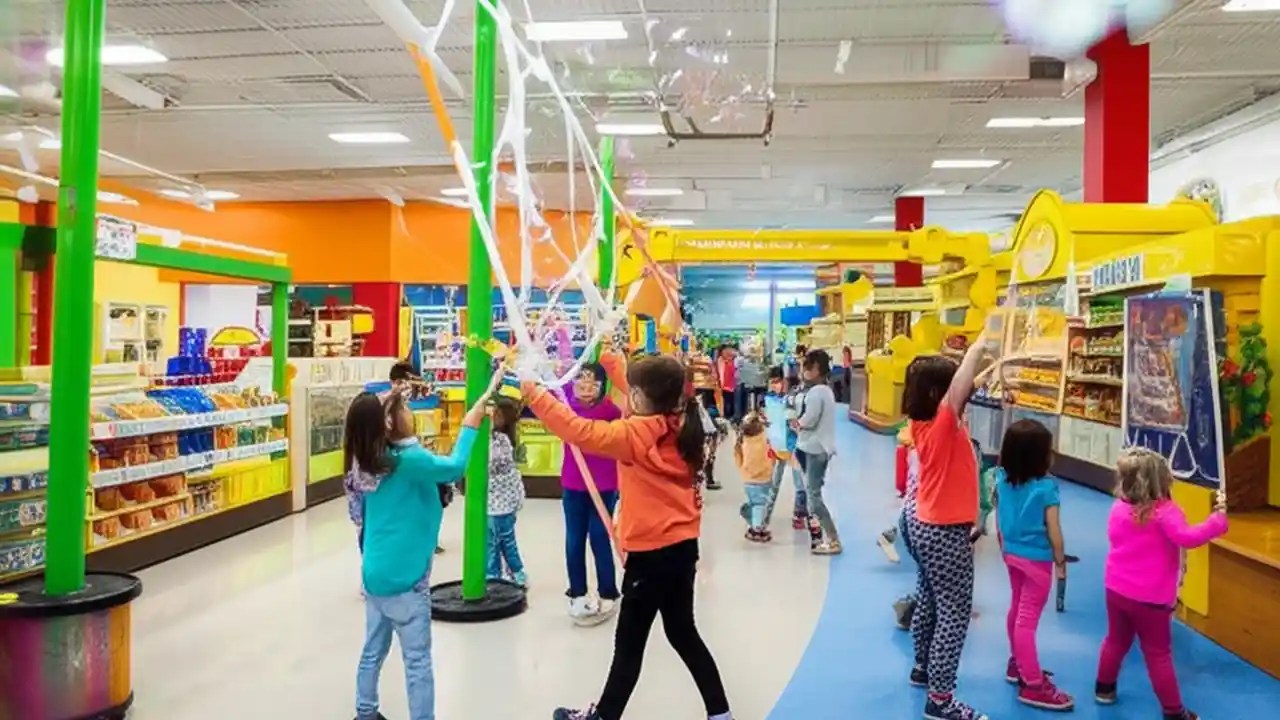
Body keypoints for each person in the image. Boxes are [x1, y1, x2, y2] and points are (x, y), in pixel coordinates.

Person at [524, 354, 731, 720]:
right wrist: (608, 356)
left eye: (631, 390)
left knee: (629, 647)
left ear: (639, 398)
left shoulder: (635, 437)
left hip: (650, 558)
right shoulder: (681, 420)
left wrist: (533, 392)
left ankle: (603, 716)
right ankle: (720, 713)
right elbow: (642, 396)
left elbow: (578, 431)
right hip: (683, 549)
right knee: (683, 633)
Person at [346, 388, 487, 720]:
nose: (412, 412)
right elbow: (454, 468)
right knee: (418, 661)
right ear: (391, 422)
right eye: (406, 408)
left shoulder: (370, 460)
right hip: (406, 580)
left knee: (373, 649)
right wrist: (471, 423)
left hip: (375, 574)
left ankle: (365, 712)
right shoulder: (408, 461)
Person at [1094, 447, 1228, 720]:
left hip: (1116, 589)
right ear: (1161, 481)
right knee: (1158, 654)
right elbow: (1188, 538)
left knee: (1115, 641)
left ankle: (1104, 688)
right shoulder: (1166, 512)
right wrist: (1218, 521)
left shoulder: (1118, 508)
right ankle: (1173, 711)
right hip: (1152, 599)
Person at [903, 339, 990, 720]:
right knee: (954, 613)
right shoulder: (941, 422)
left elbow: (963, 389)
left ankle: (922, 667)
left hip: (923, 523)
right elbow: (959, 389)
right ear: (940, 393)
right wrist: (982, 343)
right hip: (944, 530)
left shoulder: (922, 422)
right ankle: (940, 699)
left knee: (930, 598)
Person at [993, 420, 1073, 711]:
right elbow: (1054, 529)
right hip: (1037, 560)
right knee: (1027, 619)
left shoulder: (1001, 477)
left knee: (1016, 608)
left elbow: (999, 516)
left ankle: (1018, 664)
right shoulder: (1047, 488)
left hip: (1011, 553)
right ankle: (1034, 685)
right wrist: (1061, 560)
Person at [560, 362, 624, 626]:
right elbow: (553, 384)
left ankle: (608, 591)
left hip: (605, 484)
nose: (586, 391)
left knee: (600, 535)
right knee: (574, 538)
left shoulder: (611, 411)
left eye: (593, 385)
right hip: (573, 484)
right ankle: (577, 593)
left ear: (602, 386)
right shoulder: (564, 407)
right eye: (581, 385)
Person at [793, 349, 841, 555]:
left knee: (813, 496)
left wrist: (797, 423)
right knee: (814, 490)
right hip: (821, 447)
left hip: (814, 447)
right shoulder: (827, 391)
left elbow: (809, 419)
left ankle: (832, 538)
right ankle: (827, 535)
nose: (803, 371)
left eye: (808, 367)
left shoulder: (815, 393)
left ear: (817, 370)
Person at [487, 395, 527, 587]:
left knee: (503, 539)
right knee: (491, 540)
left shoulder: (501, 440)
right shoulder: (493, 437)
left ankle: (516, 572)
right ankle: (493, 574)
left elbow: (493, 464)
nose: (489, 415)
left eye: (495, 413)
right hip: (493, 499)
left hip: (502, 501)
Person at [762, 368, 808, 530]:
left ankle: (799, 514)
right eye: (772, 382)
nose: (775, 386)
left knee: (800, 483)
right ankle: (763, 519)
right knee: (774, 483)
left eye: (777, 382)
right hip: (777, 446)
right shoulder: (770, 400)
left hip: (794, 445)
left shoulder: (795, 400)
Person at [735, 412, 773, 542]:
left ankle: (750, 515)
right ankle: (757, 528)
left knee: (755, 502)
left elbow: (737, 457)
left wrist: (742, 468)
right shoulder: (764, 438)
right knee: (760, 504)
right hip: (764, 477)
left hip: (748, 478)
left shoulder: (742, 440)